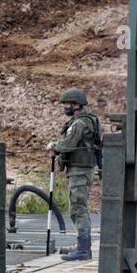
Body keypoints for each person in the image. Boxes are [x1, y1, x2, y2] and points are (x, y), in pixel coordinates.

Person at [49, 87, 101, 262]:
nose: (65, 107)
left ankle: (83, 249)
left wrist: (54, 147)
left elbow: (68, 144)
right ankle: (82, 247)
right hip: (79, 169)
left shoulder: (79, 123)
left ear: (77, 105)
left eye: (67, 104)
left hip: (80, 170)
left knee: (78, 208)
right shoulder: (82, 121)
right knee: (77, 207)